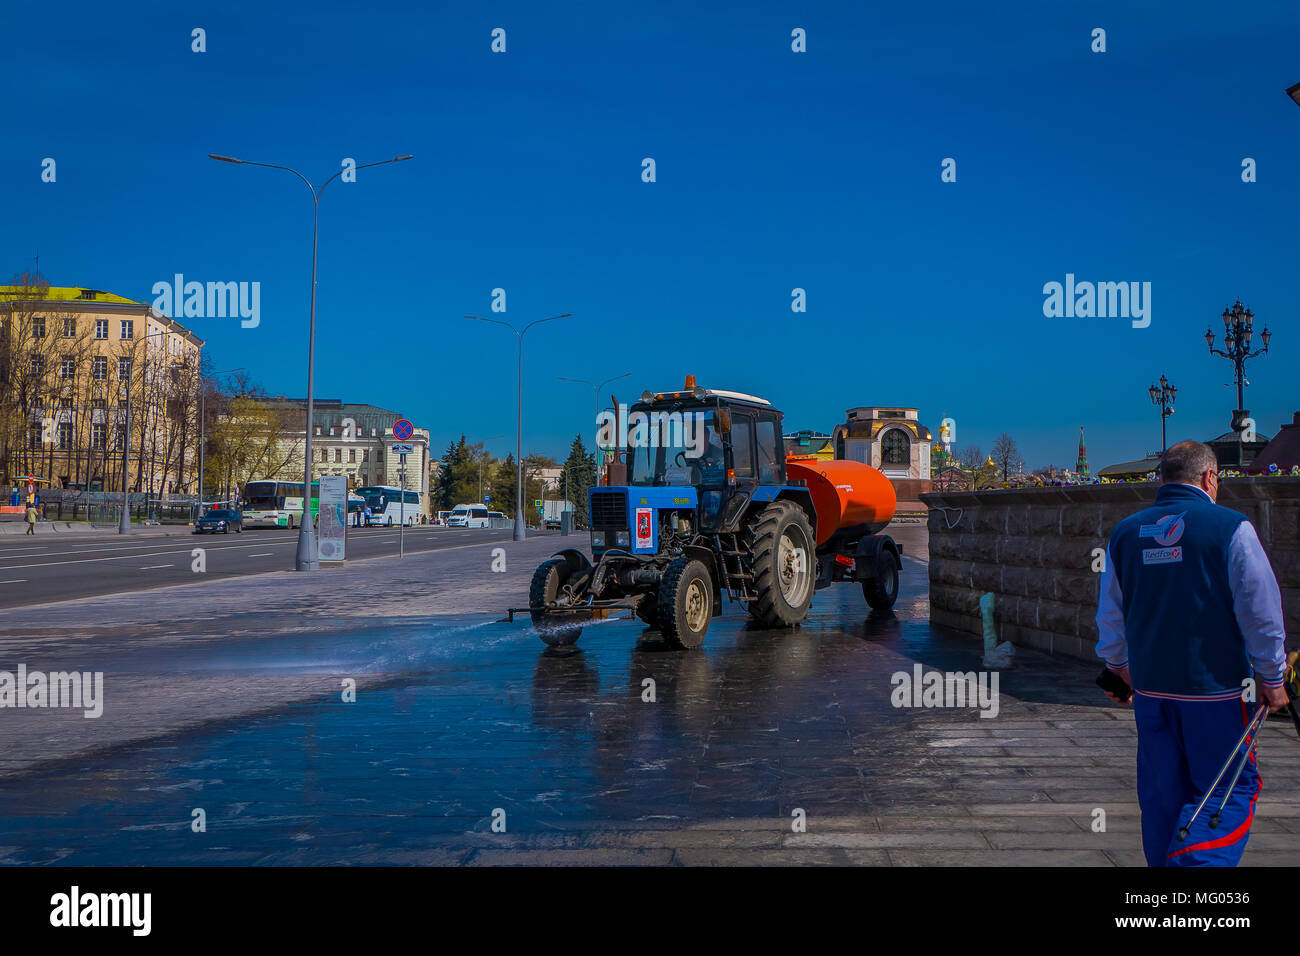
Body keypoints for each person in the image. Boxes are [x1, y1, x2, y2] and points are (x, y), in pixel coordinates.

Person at [1095, 440, 1288, 867]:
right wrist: (1273, 678)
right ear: (1210, 478)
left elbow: (1110, 614)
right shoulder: (1232, 528)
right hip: (1215, 691)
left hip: (1152, 692)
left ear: (1160, 480)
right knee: (1229, 788)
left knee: (1163, 794)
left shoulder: (1126, 533)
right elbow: (1261, 610)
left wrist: (1117, 668)